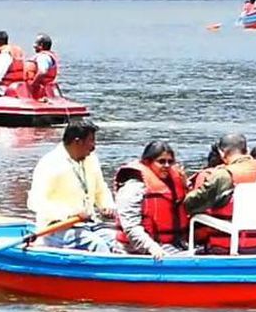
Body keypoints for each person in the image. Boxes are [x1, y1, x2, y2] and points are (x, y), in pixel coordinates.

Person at [182, 133, 256, 255]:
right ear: (247, 150)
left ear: (222, 153)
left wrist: (185, 184)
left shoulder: (223, 175)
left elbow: (190, 205)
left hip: (232, 246)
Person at [26, 119, 118, 252]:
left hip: (89, 224)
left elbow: (100, 189)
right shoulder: (50, 163)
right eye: (91, 141)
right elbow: (35, 202)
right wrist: (69, 214)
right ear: (77, 141)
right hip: (57, 227)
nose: (94, 146)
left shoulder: (91, 159)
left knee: (117, 241)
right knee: (98, 246)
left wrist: (107, 206)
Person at [113, 141, 188, 258]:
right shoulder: (133, 187)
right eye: (161, 162)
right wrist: (152, 247)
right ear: (148, 162)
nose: (167, 166)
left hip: (170, 244)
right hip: (135, 249)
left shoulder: (174, 183)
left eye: (170, 162)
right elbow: (131, 226)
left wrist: (186, 185)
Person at [25, 34, 61, 100]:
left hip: (39, 90)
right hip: (45, 88)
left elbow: (42, 71)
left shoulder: (43, 57)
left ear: (41, 45)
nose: (33, 46)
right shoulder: (47, 56)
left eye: (35, 43)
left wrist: (33, 84)